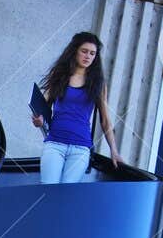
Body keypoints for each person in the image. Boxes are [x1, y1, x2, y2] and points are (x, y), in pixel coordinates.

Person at [32, 32, 121, 183]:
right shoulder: (59, 76)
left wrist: (114, 150)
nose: (88, 56)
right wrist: (39, 120)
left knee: (67, 193)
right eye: (84, 51)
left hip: (81, 148)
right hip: (55, 144)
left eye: (92, 53)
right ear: (75, 51)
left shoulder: (98, 84)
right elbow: (42, 109)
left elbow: (105, 120)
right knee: (48, 188)